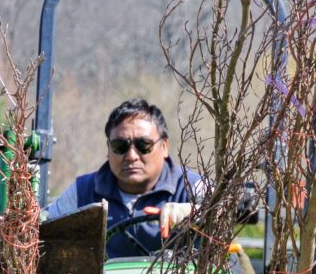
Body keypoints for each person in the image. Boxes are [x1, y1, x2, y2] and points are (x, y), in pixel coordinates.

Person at [45, 98, 203, 258]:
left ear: (164, 147)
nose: (131, 156)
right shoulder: (83, 191)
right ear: (108, 149)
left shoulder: (191, 185)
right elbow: (42, 228)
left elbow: (219, 211)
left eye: (144, 145)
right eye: (120, 146)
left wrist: (195, 211)